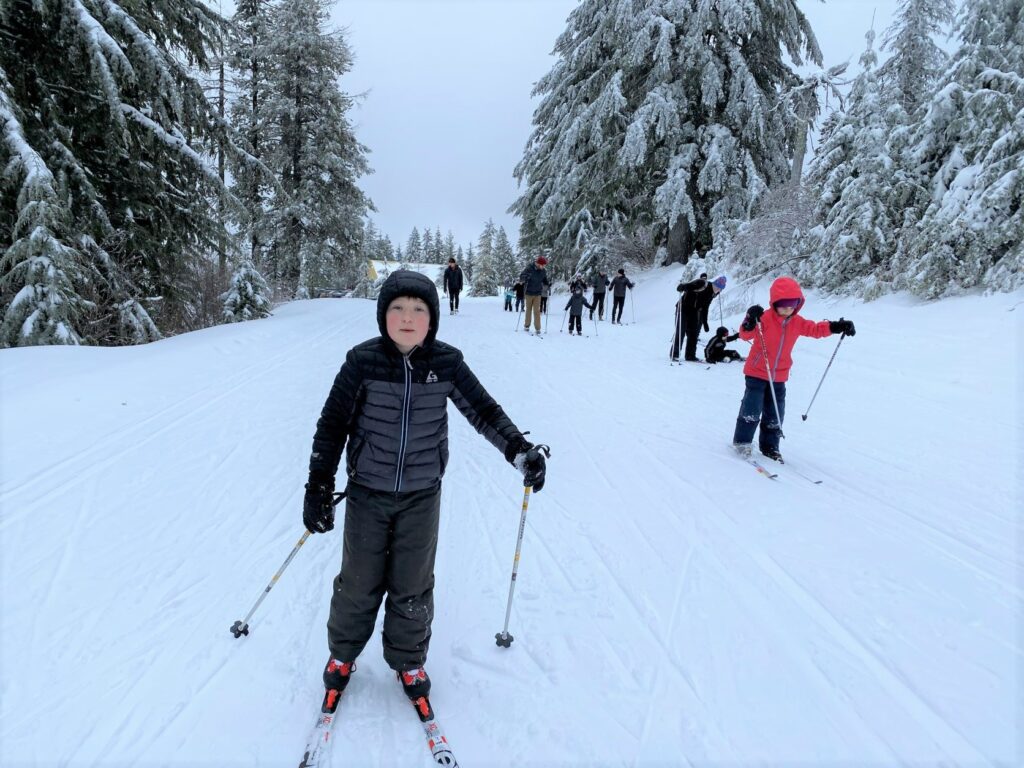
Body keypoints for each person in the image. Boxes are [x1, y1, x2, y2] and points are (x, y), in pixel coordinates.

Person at [303, 270, 548, 711]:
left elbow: (484, 411)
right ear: (383, 315)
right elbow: (333, 424)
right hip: (367, 493)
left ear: (432, 318)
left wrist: (518, 450)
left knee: (413, 584)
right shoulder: (362, 361)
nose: (407, 318)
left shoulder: (446, 363)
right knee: (358, 582)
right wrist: (319, 484)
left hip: (421, 495)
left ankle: (408, 660)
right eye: (397, 308)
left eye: (418, 310)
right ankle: (342, 655)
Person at [732, 276, 855, 462]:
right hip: (757, 373)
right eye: (783, 305)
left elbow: (815, 329)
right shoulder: (764, 318)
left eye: (793, 305)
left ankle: (770, 447)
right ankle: (742, 442)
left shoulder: (797, 322)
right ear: (774, 303)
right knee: (752, 409)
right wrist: (749, 319)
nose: (788, 309)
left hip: (779, 375)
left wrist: (835, 327)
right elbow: (744, 334)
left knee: (775, 413)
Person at [672, 274, 725, 362]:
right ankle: (675, 354)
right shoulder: (703, 283)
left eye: (721, 288)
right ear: (714, 283)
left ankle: (690, 355)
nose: (718, 290)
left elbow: (705, 308)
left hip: (694, 312)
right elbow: (689, 286)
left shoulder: (713, 294)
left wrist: (705, 323)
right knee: (681, 331)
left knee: (694, 333)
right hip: (683, 308)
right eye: (717, 287)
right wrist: (682, 287)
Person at [519, 256, 550, 334]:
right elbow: (522, 276)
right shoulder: (529, 268)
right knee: (528, 310)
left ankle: (538, 328)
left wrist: (547, 284)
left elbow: (544, 279)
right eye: (543, 265)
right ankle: (527, 326)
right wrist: (525, 278)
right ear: (539, 264)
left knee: (537, 311)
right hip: (529, 292)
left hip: (537, 293)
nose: (544, 267)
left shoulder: (543, 271)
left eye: (544, 265)